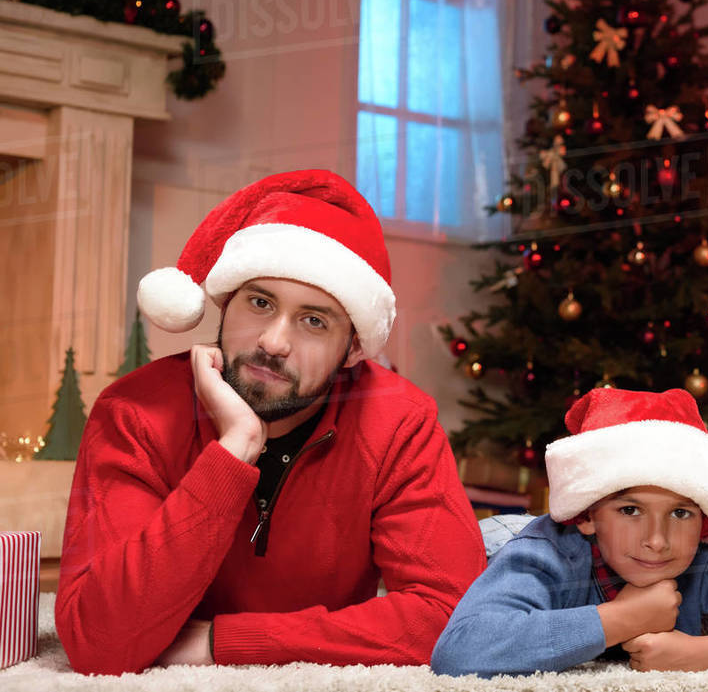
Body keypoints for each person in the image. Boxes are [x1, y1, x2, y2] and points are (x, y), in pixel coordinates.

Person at [55, 170, 486, 674]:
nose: (274, 342)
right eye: (260, 303)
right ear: (225, 304)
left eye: (313, 321)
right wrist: (234, 449)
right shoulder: (136, 412)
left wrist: (224, 641)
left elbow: (454, 619)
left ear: (353, 349)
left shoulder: (399, 423)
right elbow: (97, 640)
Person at [430, 387, 708, 677]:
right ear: (586, 514)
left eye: (680, 513)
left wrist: (705, 655)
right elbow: (460, 651)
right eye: (630, 510)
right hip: (500, 538)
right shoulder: (543, 554)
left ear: (704, 518)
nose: (657, 541)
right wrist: (623, 618)